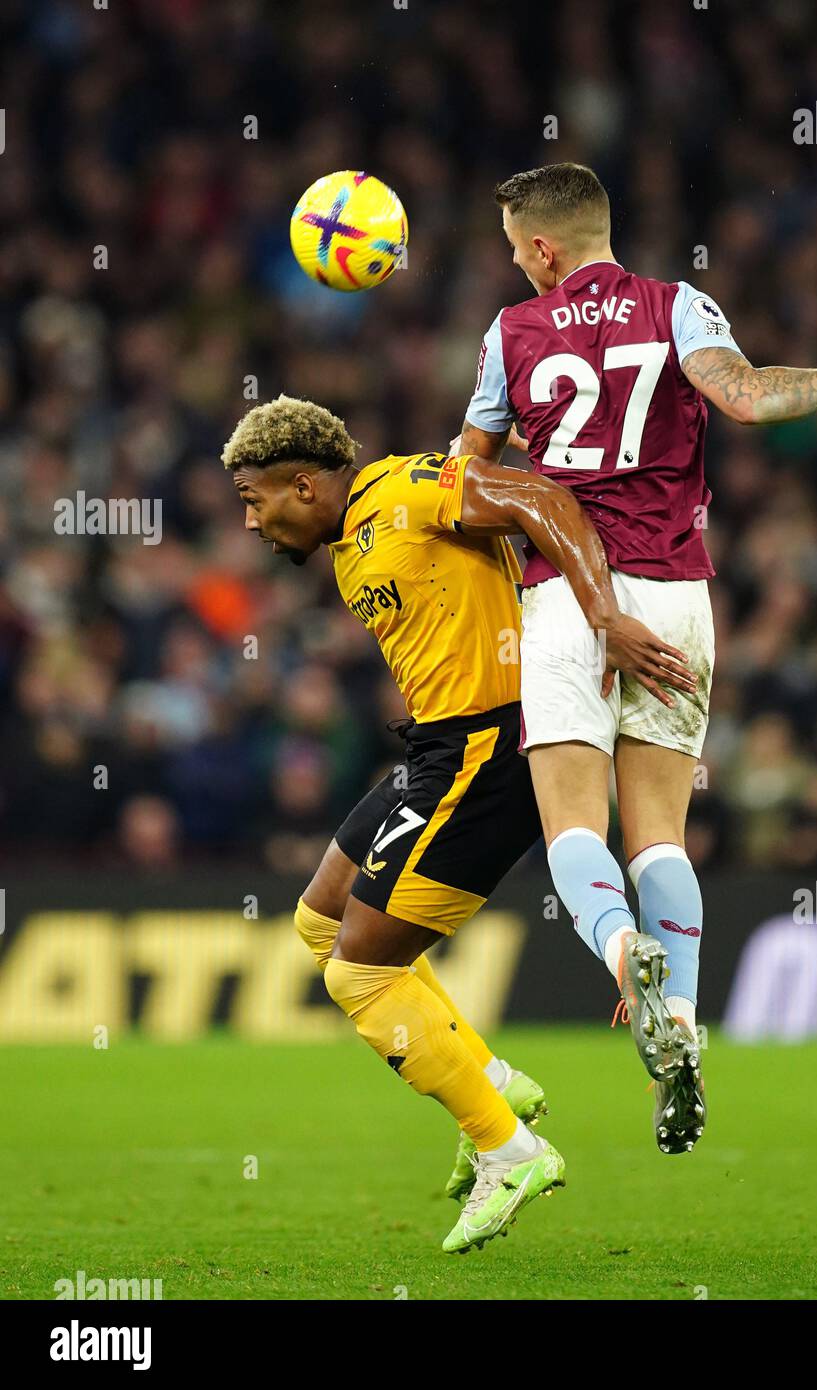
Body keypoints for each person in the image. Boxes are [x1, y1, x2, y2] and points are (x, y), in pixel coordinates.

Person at [458, 162, 817, 1154]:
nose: (517, 265)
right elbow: (748, 399)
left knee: (571, 826)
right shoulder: (680, 305)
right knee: (661, 840)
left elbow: (467, 484)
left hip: (570, 594)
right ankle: (681, 1021)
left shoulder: (511, 337)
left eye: (518, 249)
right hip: (680, 594)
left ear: (545, 247)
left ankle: (617, 947)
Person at [222, 394, 693, 1252]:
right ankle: (491, 1080)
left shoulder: (403, 490)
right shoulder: (352, 540)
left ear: (302, 484)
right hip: (440, 748)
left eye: (254, 500)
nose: (250, 523)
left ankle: (507, 1149)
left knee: (358, 977)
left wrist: (603, 618)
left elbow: (538, 500)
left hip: (490, 750)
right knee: (318, 920)